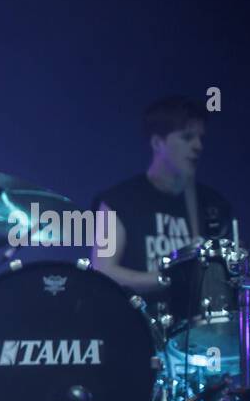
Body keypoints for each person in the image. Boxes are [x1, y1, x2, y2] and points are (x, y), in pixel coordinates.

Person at [90, 95, 234, 298]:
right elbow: (102, 270)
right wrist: (167, 279)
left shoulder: (214, 205)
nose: (198, 146)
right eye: (187, 137)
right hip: (139, 324)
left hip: (202, 326)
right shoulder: (117, 201)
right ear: (158, 143)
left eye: (201, 138)